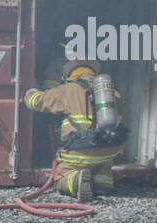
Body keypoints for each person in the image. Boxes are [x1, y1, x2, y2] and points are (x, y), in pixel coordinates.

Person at [23, 49, 126, 200]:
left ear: (69, 73)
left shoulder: (68, 90)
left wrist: (33, 88)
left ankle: (75, 181)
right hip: (109, 151)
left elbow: (36, 102)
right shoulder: (113, 93)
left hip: (82, 151)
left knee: (62, 175)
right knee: (101, 163)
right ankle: (102, 183)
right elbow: (119, 122)